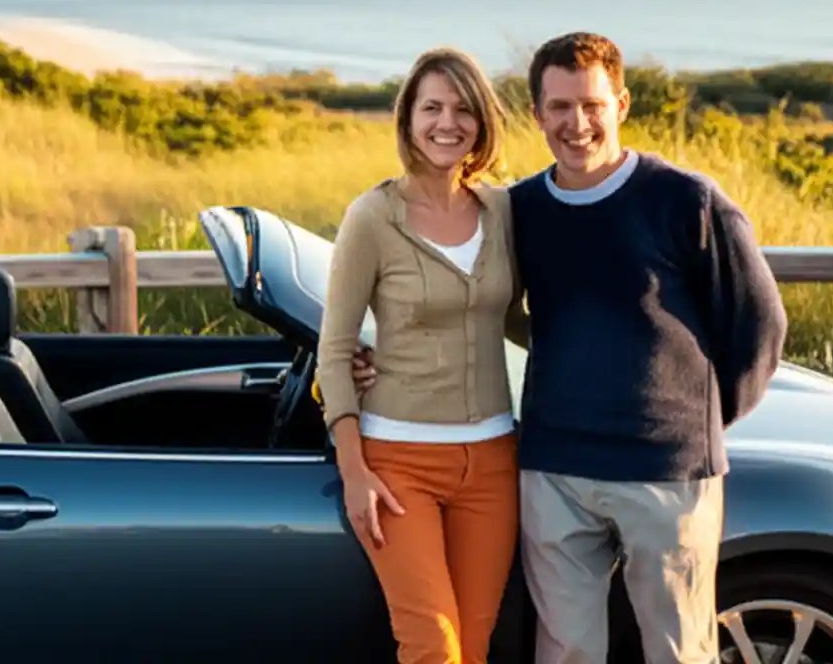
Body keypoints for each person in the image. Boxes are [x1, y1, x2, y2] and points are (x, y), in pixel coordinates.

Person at [351, 32, 788, 664]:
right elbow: (476, 306)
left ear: (622, 105)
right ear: (537, 114)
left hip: (665, 470)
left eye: (591, 105)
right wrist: (375, 357)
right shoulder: (518, 210)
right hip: (553, 468)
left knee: (677, 650)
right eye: (558, 107)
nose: (576, 123)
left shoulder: (684, 200)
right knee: (565, 651)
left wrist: (702, 421)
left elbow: (758, 325)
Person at [316, 46, 523, 664]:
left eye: (463, 109)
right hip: (398, 463)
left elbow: (518, 320)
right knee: (431, 644)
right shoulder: (372, 217)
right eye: (432, 107)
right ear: (408, 118)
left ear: (482, 122)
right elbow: (334, 351)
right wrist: (355, 471)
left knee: (475, 643)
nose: (447, 123)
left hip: (492, 460)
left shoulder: (505, 211)